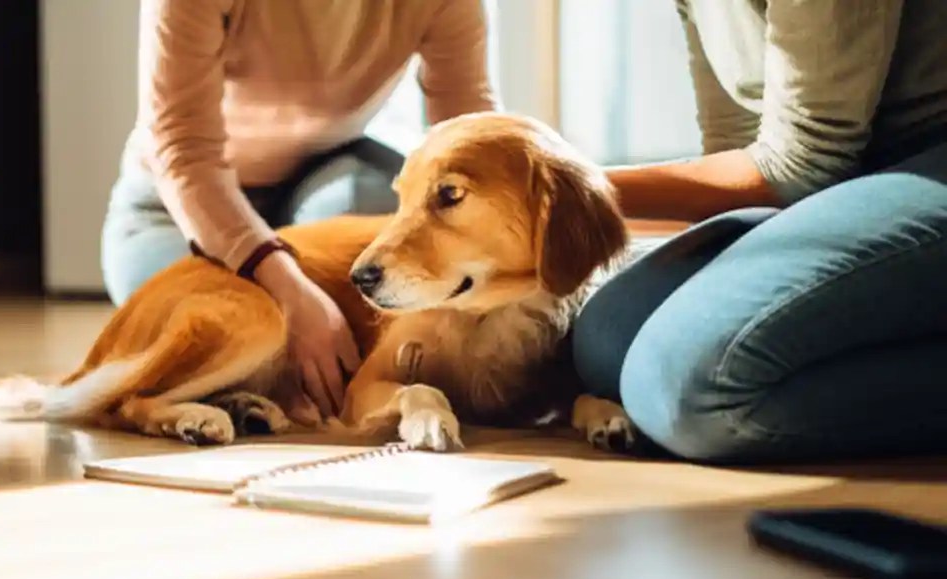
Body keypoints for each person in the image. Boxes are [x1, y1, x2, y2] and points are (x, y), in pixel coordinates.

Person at [575, 0, 947, 463]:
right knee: (604, 342)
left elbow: (807, 162)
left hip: (928, 168)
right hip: (848, 187)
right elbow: (736, 147)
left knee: (691, 391)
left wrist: (571, 193)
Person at [103, 0, 496, 419]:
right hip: (173, 209)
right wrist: (288, 289)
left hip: (326, 172)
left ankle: (318, 383)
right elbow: (183, 151)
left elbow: (470, 140)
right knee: (209, 321)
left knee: (385, 221)